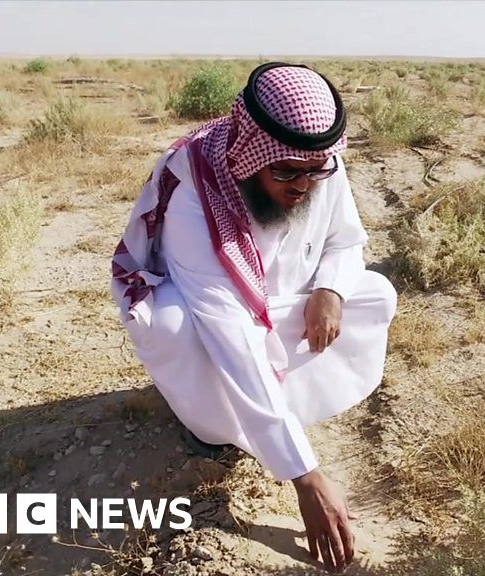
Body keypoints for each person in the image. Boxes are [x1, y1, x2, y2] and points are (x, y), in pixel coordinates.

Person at [110, 62, 397, 573]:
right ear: (250, 154)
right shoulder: (196, 187)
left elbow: (345, 240)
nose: (303, 185)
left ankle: (280, 415)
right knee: (173, 326)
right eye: (285, 172)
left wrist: (329, 290)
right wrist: (305, 476)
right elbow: (231, 334)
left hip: (278, 299)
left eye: (315, 171)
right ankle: (211, 426)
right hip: (206, 313)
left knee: (373, 294)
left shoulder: (317, 162)